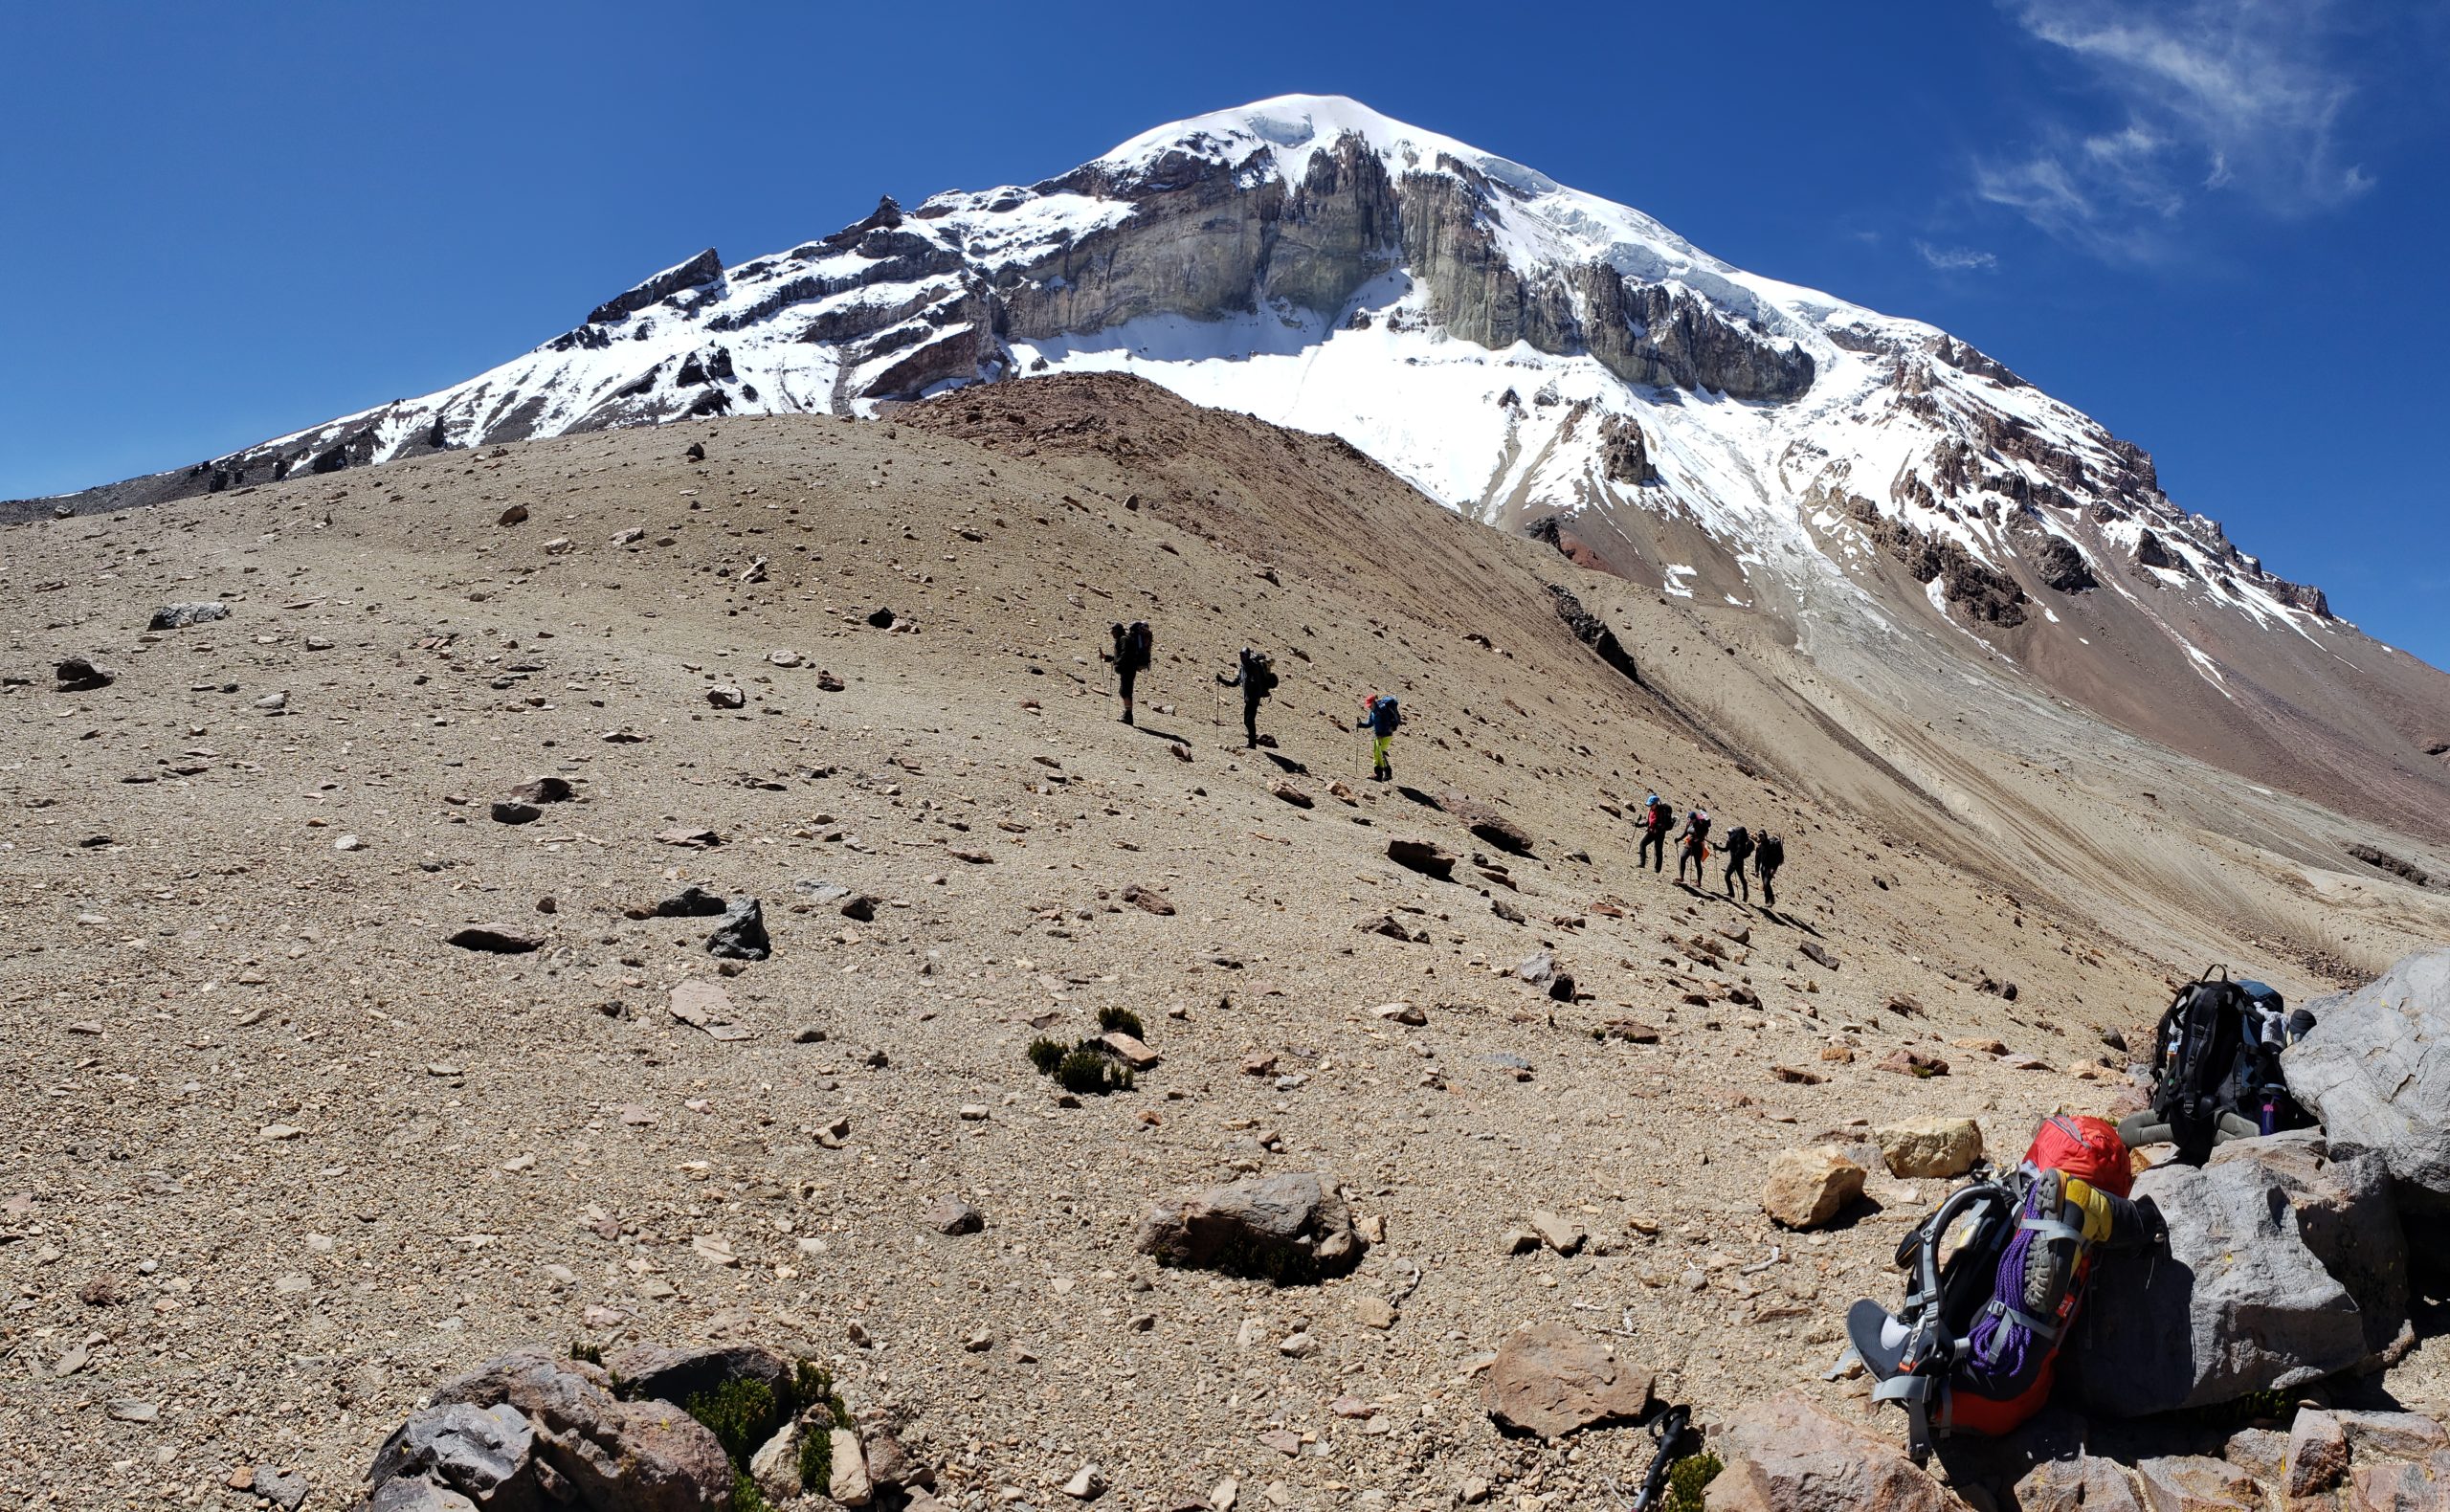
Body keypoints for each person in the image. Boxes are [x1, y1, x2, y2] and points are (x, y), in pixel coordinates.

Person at [1216, 647, 1279, 749]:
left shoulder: (1253, 667)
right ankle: (1252, 742)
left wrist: (1255, 697)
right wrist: (1221, 680)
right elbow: (1234, 683)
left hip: (1253, 699)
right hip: (1249, 699)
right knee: (1247, 721)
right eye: (1241, 655)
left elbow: (1258, 684)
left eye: (1244, 655)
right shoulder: (1242, 669)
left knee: (1250, 720)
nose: (1242, 657)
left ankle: (1252, 744)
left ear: (1248, 655)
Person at [1107, 620, 1152, 725]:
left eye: (1113, 631)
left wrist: (1116, 663)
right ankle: (1128, 715)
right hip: (1129, 669)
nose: (1112, 634)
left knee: (1125, 691)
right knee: (1126, 691)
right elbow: (1122, 655)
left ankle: (1128, 715)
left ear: (1118, 630)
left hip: (1127, 669)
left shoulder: (1124, 639)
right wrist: (1108, 658)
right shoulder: (1125, 639)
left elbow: (1125, 654)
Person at [1358, 692, 1401, 781]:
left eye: (1370, 705)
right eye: (1368, 705)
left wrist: (1382, 734)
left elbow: (1387, 724)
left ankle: (1386, 773)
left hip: (1386, 735)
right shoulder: (1373, 712)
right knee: (1377, 754)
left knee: (1380, 753)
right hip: (1378, 736)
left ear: (1374, 702)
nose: (1369, 707)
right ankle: (1379, 774)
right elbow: (1370, 724)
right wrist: (1361, 725)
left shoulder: (1383, 709)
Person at [1637, 793, 1674, 873]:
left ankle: (1657, 869)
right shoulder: (1651, 810)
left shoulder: (1662, 812)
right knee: (1642, 844)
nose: (1650, 806)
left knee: (1658, 850)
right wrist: (1639, 825)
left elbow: (1662, 825)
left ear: (1655, 803)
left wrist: (1656, 828)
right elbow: (1648, 822)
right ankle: (1642, 863)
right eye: (1649, 805)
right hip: (1651, 832)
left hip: (1659, 834)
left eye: (1651, 805)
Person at [1676, 806, 1713, 884]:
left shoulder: (1700, 825)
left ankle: (1699, 882)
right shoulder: (1689, 823)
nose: (1690, 820)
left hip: (1697, 846)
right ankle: (1681, 877)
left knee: (1697, 863)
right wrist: (1678, 839)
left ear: (1695, 819)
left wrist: (1697, 839)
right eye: (1690, 819)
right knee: (1683, 858)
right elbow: (1686, 832)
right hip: (1689, 844)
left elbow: (1702, 836)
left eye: (1692, 819)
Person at [1722, 824, 1755, 901]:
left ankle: (1732, 893)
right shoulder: (1737, 841)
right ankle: (1745, 895)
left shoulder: (1732, 841)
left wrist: (1717, 847)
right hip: (1739, 861)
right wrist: (1716, 847)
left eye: (1729, 833)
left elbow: (1725, 850)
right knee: (1741, 878)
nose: (1729, 835)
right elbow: (1726, 850)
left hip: (1734, 862)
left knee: (1727, 876)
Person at [1754, 832, 1784, 907]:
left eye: (1762, 835)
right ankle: (1770, 900)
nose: (1761, 837)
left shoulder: (1771, 845)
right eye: (1759, 836)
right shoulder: (1759, 847)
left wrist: (1774, 869)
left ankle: (1769, 901)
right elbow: (1757, 860)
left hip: (1770, 867)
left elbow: (1776, 859)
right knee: (1765, 884)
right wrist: (1757, 870)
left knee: (1766, 882)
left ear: (1765, 836)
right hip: (1763, 867)